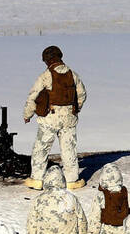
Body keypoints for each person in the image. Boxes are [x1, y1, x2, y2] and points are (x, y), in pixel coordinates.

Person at [22, 45, 87, 189]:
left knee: (41, 149)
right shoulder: (73, 74)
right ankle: (72, 180)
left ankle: (37, 180)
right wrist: (75, 109)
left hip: (49, 119)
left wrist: (27, 115)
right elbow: (82, 94)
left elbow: (33, 97)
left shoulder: (45, 76)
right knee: (69, 149)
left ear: (47, 60)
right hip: (69, 118)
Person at [25, 165, 89, 234]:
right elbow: (81, 220)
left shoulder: (39, 200)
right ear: (62, 179)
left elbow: (32, 223)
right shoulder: (71, 198)